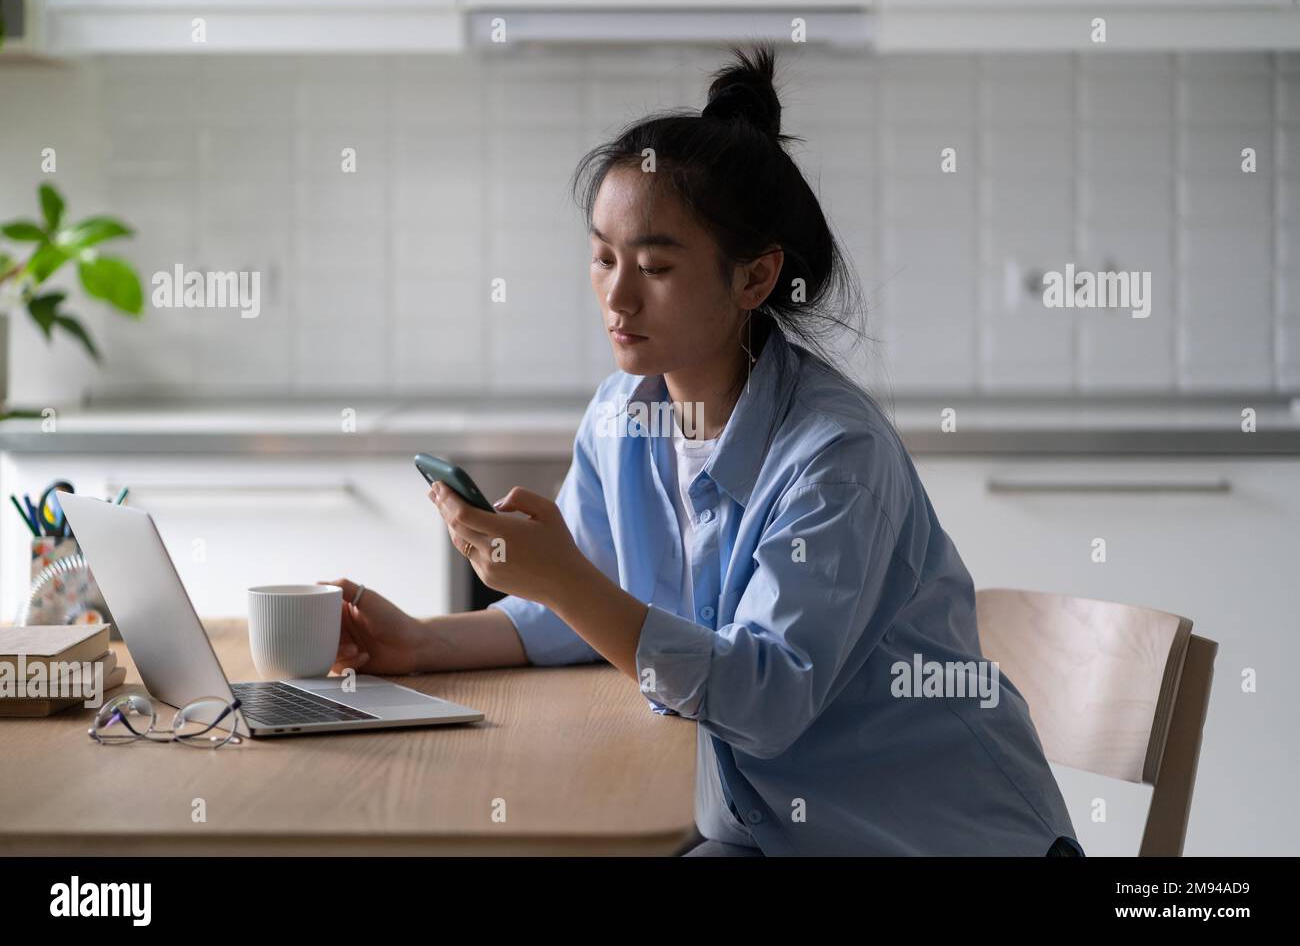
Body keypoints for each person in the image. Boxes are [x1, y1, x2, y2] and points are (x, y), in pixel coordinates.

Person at [323, 42, 1083, 857]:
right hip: (761, 830)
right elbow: (581, 612)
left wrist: (566, 580)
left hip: (925, 840)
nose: (616, 294)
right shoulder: (626, 415)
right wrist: (424, 643)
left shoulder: (835, 459)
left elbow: (765, 700)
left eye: (654, 265)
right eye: (603, 257)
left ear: (754, 280)